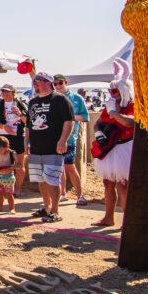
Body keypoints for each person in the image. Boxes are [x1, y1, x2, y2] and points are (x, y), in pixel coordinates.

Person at [24, 72, 75, 222]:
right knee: (40, 179)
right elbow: (28, 124)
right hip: (36, 147)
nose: (35, 83)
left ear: (47, 82)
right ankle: (46, 207)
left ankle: (55, 211)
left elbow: (69, 121)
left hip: (53, 146)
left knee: (52, 179)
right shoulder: (33, 102)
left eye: (38, 80)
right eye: (34, 81)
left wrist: (63, 140)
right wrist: (26, 142)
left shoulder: (59, 99)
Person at [93, 78, 136, 228]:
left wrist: (113, 112)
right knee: (108, 183)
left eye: (114, 91)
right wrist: (98, 133)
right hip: (109, 147)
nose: (111, 94)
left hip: (125, 147)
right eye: (110, 91)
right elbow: (98, 122)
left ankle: (127, 221)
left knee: (123, 184)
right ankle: (108, 217)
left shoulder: (131, 106)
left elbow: (130, 122)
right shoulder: (110, 105)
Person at [53, 74, 89, 206]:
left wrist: (70, 116)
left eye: (60, 83)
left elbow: (85, 117)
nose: (58, 86)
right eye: (55, 84)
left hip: (70, 138)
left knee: (70, 166)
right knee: (59, 167)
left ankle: (80, 195)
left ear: (66, 82)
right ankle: (62, 193)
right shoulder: (53, 98)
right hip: (55, 138)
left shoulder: (76, 98)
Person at [0, 84, 28, 194]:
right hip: (2, 136)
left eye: (7, 91)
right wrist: (4, 127)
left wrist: (19, 113)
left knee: (19, 163)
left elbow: (28, 122)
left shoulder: (21, 104)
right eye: (3, 91)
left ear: (13, 92)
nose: (5, 93)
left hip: (17, 136)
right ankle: (2, 188)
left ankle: (17, 188)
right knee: (2, 162)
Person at [0, 135, 18, 213]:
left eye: (1, 149)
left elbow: (19, 165)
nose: (0, 151)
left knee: (9, 193)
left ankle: (12, 208)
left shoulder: (12, 153)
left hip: (8, 176)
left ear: (7, 146)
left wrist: (10, 167)